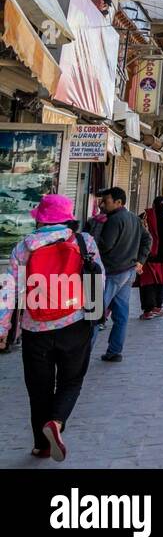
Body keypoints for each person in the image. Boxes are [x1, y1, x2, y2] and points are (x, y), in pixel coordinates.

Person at [0, 194, 104, 461]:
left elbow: (7, 292)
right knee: (72, 380)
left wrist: (2, 331)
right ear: (67, 217)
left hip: (35, 329)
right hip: (75, 323)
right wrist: (96, 315)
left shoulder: (23, 247)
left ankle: (41, 446)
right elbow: (97, 280)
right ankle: (56, 423)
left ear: (41, 219)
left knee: (38, 388)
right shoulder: (84, 242)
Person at [90, 186, 150, 362]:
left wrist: (94, 231)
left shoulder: (113, 220)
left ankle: (83, 354)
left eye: (106, 201)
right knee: (121, 315)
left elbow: (104, 245)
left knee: (94, 314)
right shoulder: (132, 217)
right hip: (128, 271)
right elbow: (148, 239)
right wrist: (140, 260)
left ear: (118, 202)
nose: (102, 204)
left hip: (111, 273)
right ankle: (114, 351)